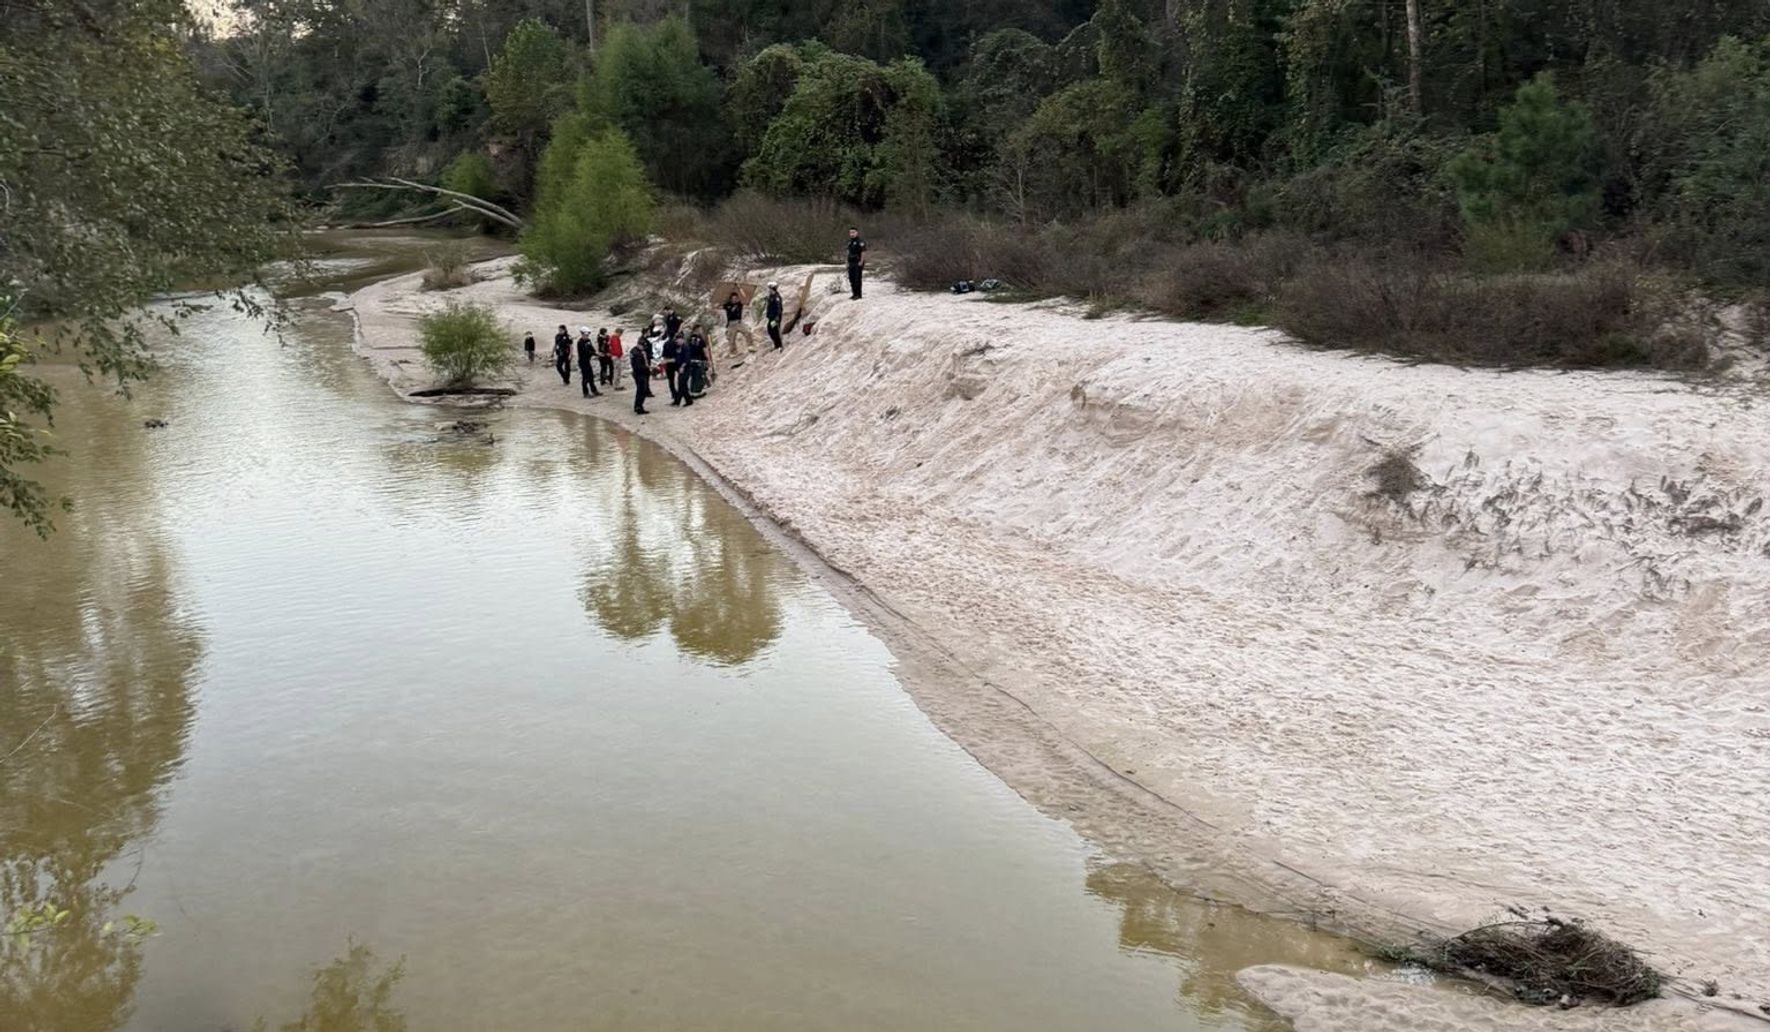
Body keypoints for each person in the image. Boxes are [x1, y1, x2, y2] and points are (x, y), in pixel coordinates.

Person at [722, 290, 754, 362]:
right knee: (731, 338)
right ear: (730, 299)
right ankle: (733, 352)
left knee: (747, 332)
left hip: (739, 322)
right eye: (733, 298)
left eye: (736, 298)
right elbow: (721, 306)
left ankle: (750, 345)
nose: (734, 300)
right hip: (731, 323)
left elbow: (746, 300)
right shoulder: (727, 305)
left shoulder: (739, 304)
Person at [630, 334, 653, 415]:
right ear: (639, 345)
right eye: (643, 346)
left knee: (640, 391)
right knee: (641, 391)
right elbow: (638, 366)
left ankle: (637, 406)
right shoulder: (637, 354)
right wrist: (648, 367)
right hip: (640, 374)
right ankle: (639, 407)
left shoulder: (634, 351)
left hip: (638, 373)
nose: (644, 348)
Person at [662, 332, 686, 406]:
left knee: (671, 381)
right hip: (677, 363)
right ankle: (682, 393)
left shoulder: (666, 344)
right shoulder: (677, 344)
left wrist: (665, 363)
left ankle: (674, 394)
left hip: (669, 364)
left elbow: (664, 356)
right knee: (681, 380)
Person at [576, 327, 600, 398]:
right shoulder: (580, 342)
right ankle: (585, 393)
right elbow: (585, 352)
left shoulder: (588, 341)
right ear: (582, 334)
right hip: (583, 361)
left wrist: (596, 352)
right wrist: (595, 354)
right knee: (585, 377)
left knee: (591, 376)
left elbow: (591, 348)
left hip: (587, 361)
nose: (587, 336)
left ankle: (594, 390)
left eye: (587, 335)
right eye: (586, 335)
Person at [685, 329, 710, 398]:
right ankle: (697, 392)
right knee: (699, 376)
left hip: (690, 360)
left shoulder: (689, 339)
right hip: (699, 359)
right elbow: (704, 350)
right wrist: (707, 359)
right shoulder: (700, 340)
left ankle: (692, 392)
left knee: (693, 376)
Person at [845, 226, 867, 300]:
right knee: (851, 279)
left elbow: (863, 252)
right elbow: (848, 252)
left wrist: (861, 261)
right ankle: (854, 294)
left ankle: (858, 294)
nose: (852, 234)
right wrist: (846, 262)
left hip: (858, 262)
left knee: (857, 279)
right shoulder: (849, 242)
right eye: (850, 232)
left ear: (857, 233)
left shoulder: (860, 242)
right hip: (851, 262)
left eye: (853, 232)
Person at [763, 282, 784, 350]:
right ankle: (777, 344)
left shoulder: (777, 297)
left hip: (775, 318)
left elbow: (779, 308)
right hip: (771, 317)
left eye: (769, 288)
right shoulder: (771, 296)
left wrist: (777, 316)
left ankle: (779, 345)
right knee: (771, 330)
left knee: (774, 330)